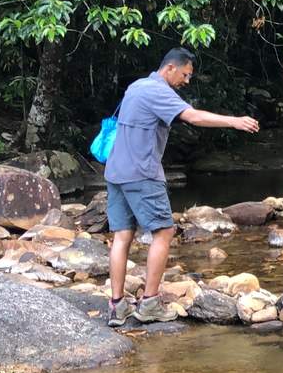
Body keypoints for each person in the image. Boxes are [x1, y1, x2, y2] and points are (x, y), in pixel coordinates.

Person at [103, 48, 260, 326]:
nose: (186, 81)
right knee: (164, 231)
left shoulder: (137, 86)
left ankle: (117, 306)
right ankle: (149, 304)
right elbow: (193, 117)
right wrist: (234, 121)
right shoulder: (158, 90)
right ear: (170, 68)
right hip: (142, 173)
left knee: (122, 236)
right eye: (185, 75)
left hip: (116, 171)